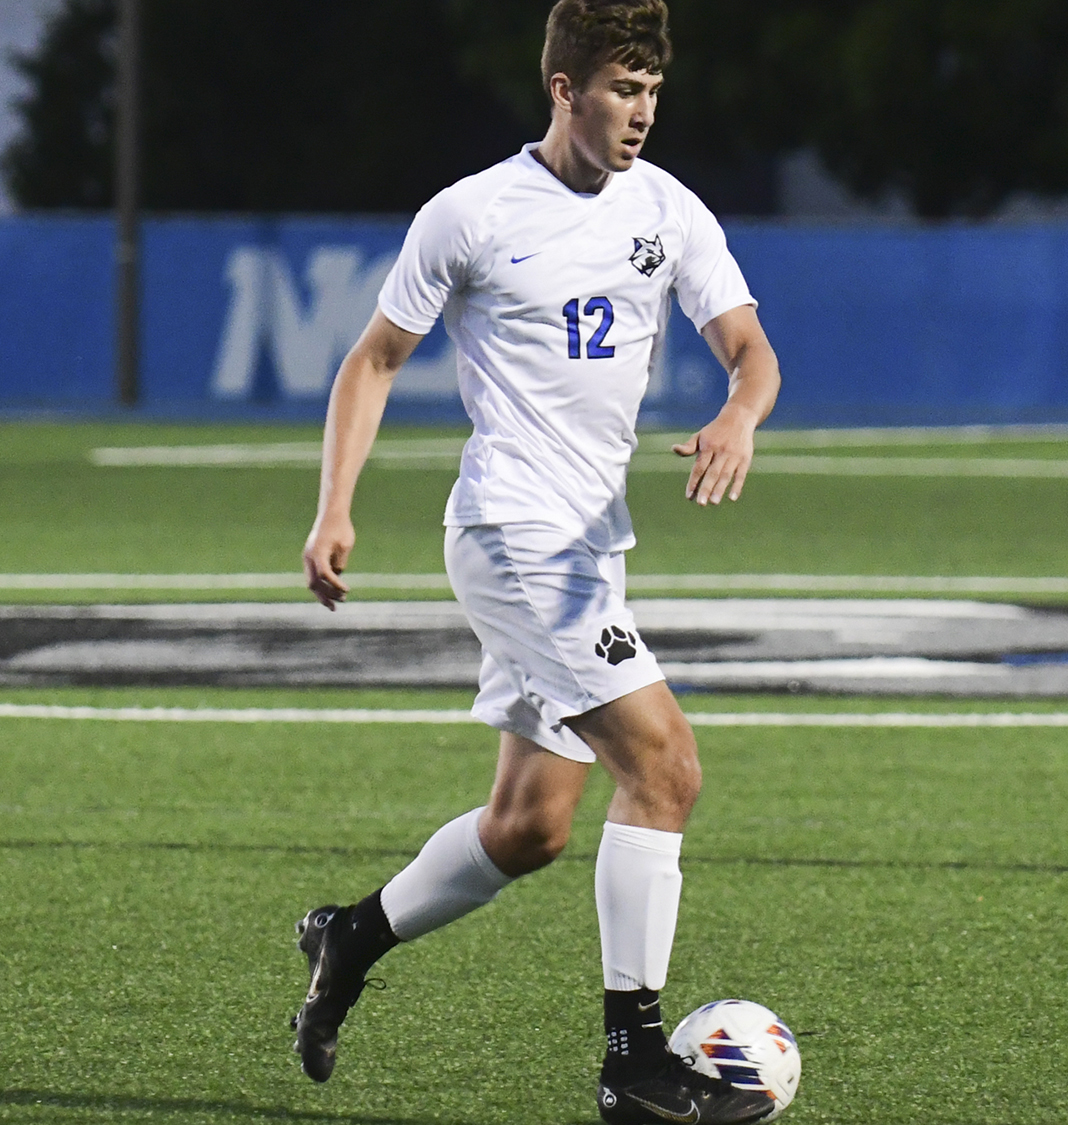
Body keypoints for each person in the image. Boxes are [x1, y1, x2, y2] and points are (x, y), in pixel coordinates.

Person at [290, 2, 781, 1121]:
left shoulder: (668, 209)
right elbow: (371, 361)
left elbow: (751, 351)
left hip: (588, 544)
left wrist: (739, 413)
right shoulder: (470, 213)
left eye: (652, 90)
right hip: (515, 536)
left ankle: (348, 938)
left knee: (530, 828)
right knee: (665, 767)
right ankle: (635, 1064)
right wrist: (334, 511)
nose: (640, 112)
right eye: (620, 88)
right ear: (562, 89)